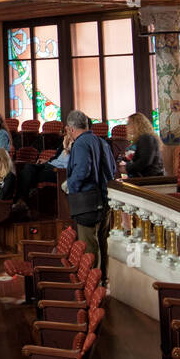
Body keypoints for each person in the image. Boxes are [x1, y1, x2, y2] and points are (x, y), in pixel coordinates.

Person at [63, 110, 116, 278]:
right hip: (105, 199)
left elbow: (82, 171)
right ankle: (103, 280)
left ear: (70, 129)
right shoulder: (102, 142)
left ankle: (90, 285)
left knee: (89, 247)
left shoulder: (80, 144)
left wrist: (70, 185)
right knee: (102, 242)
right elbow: (113, 169)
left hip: (87, 202)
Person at [121, 112, 164, 178]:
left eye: (129, 123)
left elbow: (145, 161)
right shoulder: (142, 139)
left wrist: (127, 168)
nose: (126, 126)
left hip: (149, 179)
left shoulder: (146, 138)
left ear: (137, 125)